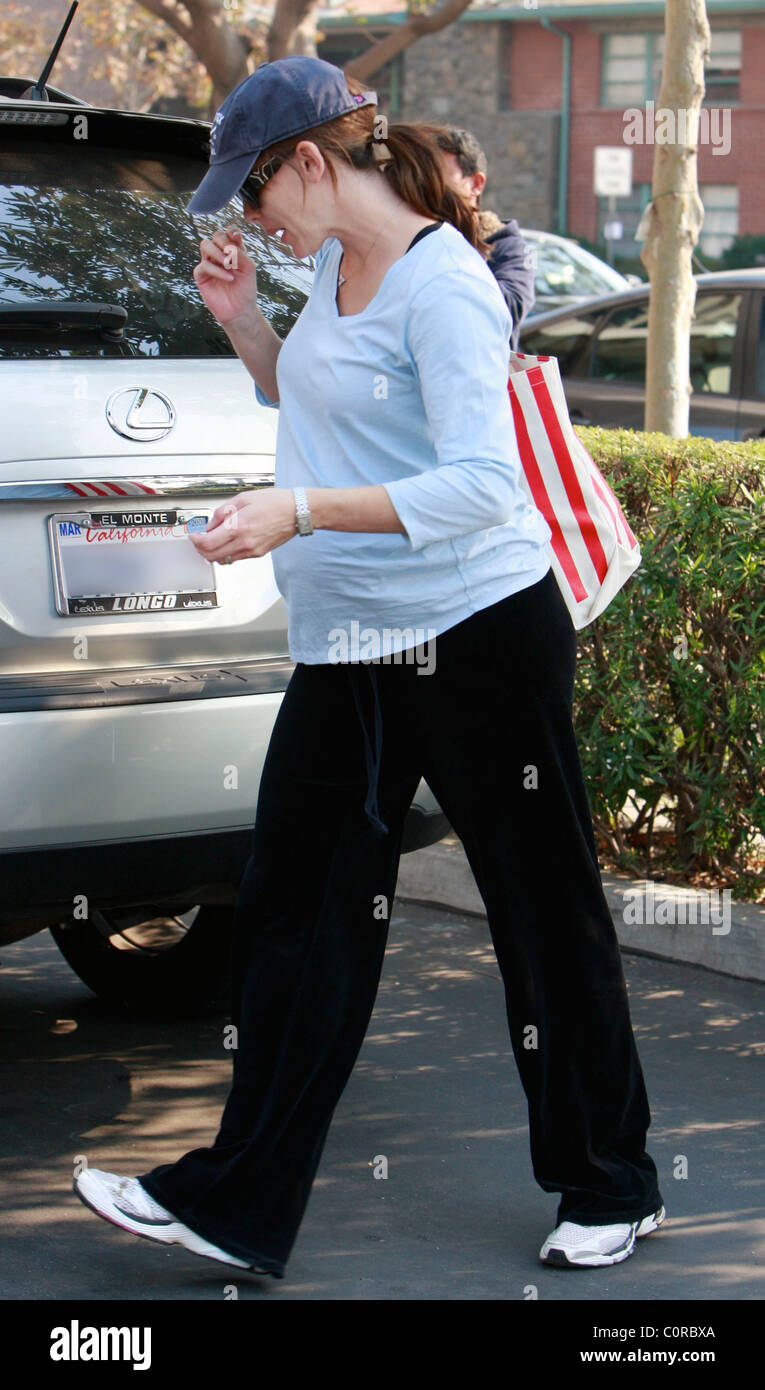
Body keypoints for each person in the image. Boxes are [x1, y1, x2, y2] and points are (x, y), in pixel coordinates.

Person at [72, 55, 664, 1277]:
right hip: (353, 649)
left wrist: (298, 515)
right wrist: (243, 325)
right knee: (295, 918)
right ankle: (238, 1199)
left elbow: (482, 484)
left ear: (309, 161)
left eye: (253, 191)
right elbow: (323, 412)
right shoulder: (335, 274)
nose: (248, 219)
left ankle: (614, 1180)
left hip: (480, 633)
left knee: (541, 915)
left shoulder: (445, 285)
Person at [425, 125, 536, 350]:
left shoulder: (507, 245)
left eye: (440, 176)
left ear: (476, 184)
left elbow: (511, 306)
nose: (430, 186)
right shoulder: (411, 238)